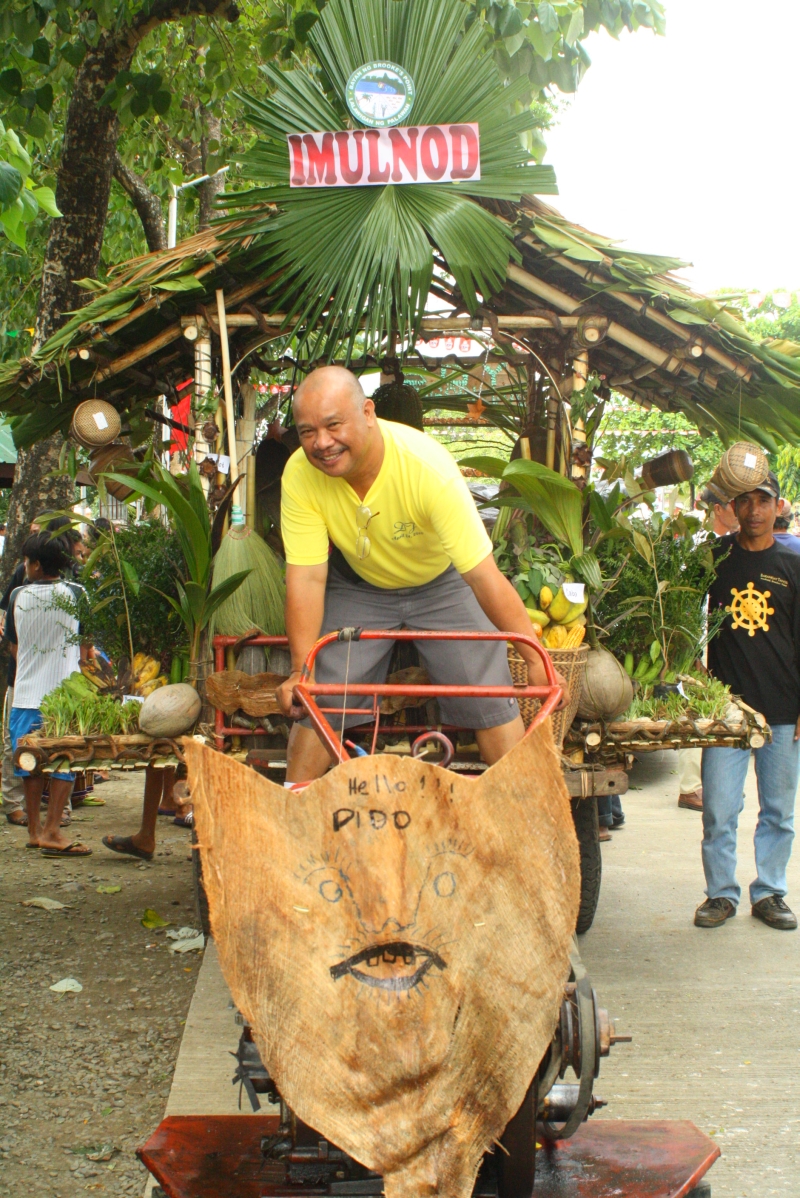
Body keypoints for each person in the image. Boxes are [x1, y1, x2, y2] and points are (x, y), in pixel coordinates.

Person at [275, 367, 567, 783]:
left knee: (486, 690)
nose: (322, 442)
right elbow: (306, 578)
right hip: (359, 585)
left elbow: (483, 576)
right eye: (308, 432)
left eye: (333, 425)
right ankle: (293, 802)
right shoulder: (300, 473)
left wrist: (534, 658)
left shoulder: (427, 467)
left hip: (441, 584)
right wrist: (299, 671)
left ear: (368, 413)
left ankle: (519, 804)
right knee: (319, 693)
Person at [694, 471, 800, 930]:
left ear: (778, 506)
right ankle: (720, 894)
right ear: (732, 507)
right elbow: (679, 613)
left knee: (778, 811)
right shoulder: (714, 559)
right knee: (719, 810)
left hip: (783, 708)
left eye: (764, 500)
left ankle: (770, 892)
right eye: (745, 501)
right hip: (727, 710)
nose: (754, 510)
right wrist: (690, 667)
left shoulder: (794, 564)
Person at [5, 531, 90, 856]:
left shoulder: (17, 596)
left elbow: (14, 647)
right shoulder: (77, 594)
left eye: (27, 561)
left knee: (28, 763)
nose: (25, 566)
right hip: (63, 700)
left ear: (37, 565)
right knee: (64, 761)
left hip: (25, 695)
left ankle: (34, 830)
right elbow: (86, 648)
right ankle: (53, 830)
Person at [677, 490, 742, 814]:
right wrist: (692, 655)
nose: (741, 511)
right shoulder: (705, 547)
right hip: (697, 647)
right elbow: (688, 603)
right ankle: (691, 787)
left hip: (707, 645)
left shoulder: (729, 547)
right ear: (719, 508)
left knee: (708, 712)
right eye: (735, 505)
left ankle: (707, 785)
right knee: (698, 714)